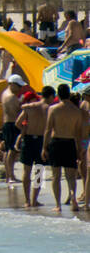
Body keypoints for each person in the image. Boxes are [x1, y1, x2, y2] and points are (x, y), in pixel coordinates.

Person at [43, 84, 82, 213]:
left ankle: (58, 204)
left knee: (56, 176)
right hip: (70, 143)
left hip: (57, 142)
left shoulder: (53, 109)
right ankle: (73, 197)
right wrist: (79, 150)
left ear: (58, 95)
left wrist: (44, 148)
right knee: (71, 176)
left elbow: (48, 130)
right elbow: (78, 134)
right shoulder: (76, 111)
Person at [17, 87, 52, 208]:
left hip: (28, 139)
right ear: (51, 96)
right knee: (39, 170)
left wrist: (24, 130)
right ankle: (34, 200)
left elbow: (17, 123)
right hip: (41, 140)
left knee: (26, 171)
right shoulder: (49, 109)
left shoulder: (29, 107)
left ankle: (27, 201)